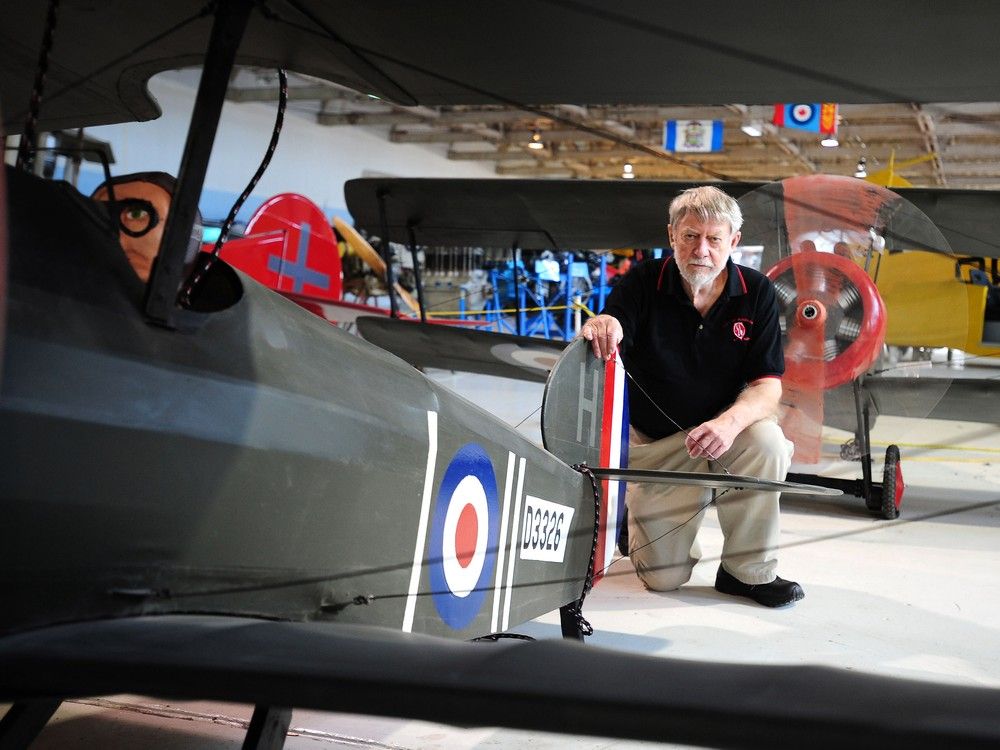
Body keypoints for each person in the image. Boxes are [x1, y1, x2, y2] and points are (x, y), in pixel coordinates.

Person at [580, 186, 801, 608]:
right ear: (671, 236)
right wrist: (605, 323)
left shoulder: (756, 292)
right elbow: (614, 323)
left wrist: (729, 423)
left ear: (733, 242)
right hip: (658, 446)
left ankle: (746, 573)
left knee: (768, 443)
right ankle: (636, 525)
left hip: (725, 437)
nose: (701, 249)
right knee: (664, 580)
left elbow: (768, 385)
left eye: (714, 239)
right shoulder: (644, 279)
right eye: (690, 236)